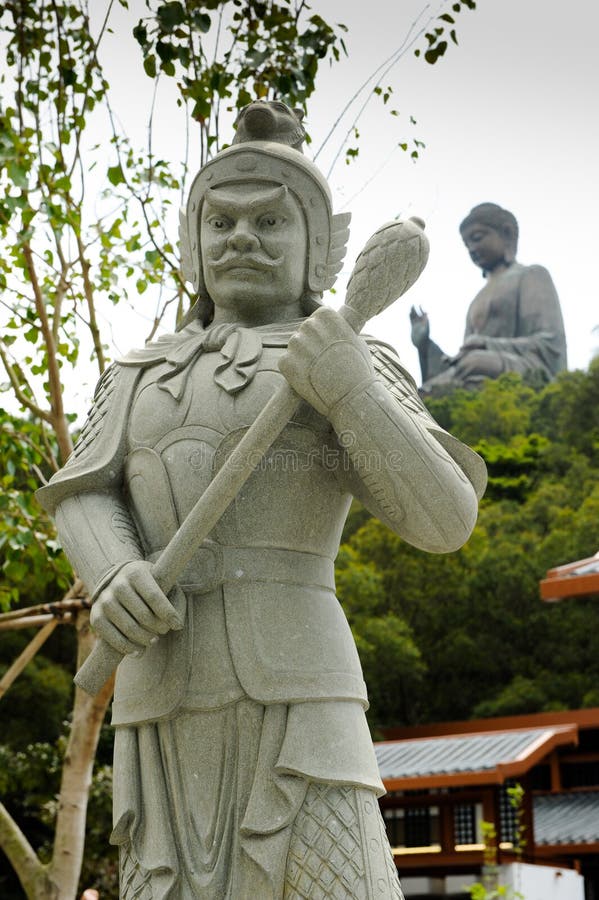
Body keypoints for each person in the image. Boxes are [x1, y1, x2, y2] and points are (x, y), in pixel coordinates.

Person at [38, 131, 485, 899]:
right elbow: (82, 489)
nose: (241, 236)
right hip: (162, 684)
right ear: (193, 243)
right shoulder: (136, 374)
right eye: (220, 221)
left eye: (270, 220)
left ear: (318, 250)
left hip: (303, 690)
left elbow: (442, 518)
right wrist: (112, 573)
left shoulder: (352, 356)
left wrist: (349, 389)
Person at [410, 202, 567, 393]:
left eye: (477, 238)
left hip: (522, 368)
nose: (472, 248)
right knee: (420, 391)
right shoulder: (476, 300)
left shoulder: (532, 275)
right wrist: (425, 345)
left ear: (506, 233)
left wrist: (487, 345)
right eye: (466, 244)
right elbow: (460, 363)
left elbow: (550, 344)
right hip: (476, 366)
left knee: (475, 362)